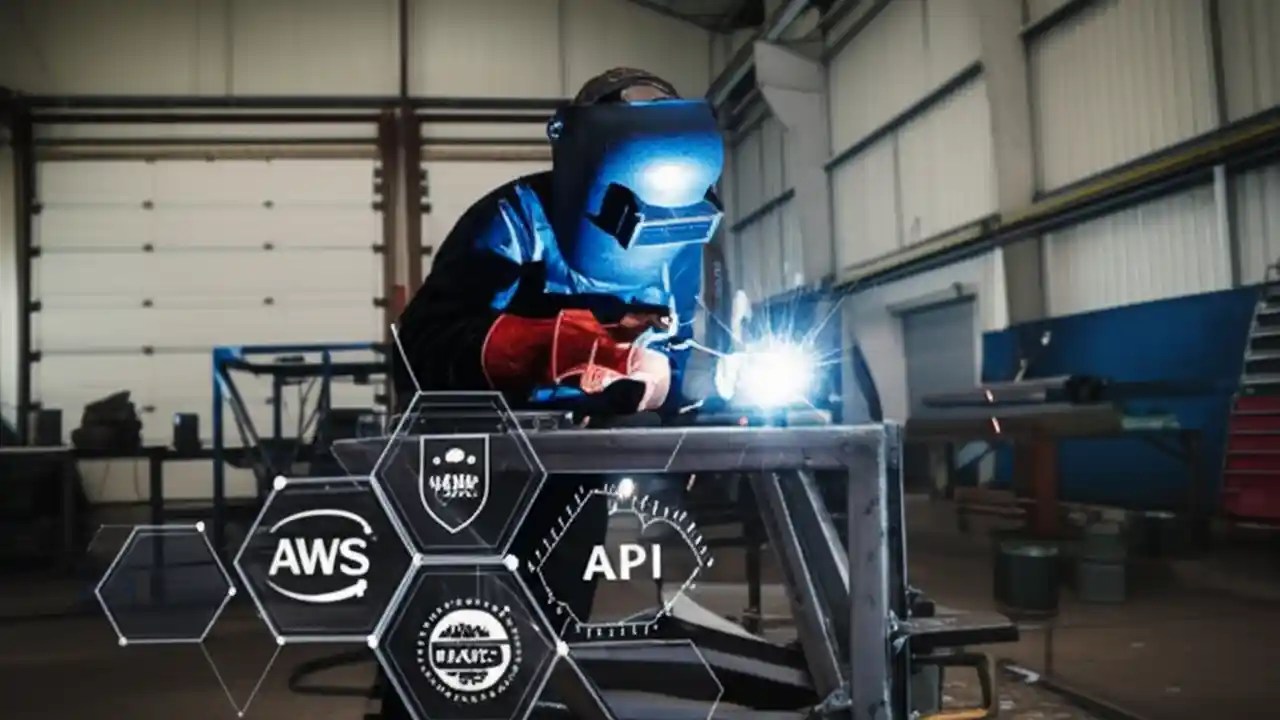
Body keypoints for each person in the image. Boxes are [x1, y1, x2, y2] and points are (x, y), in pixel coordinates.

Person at [383, 68, 725, 718]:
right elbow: (417, 350)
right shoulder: (515, 219)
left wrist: (657, 377)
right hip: (474, 475)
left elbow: (673, 348)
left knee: (549, 648)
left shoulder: (679, 239)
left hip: (574, 474)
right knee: (449, 656)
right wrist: (551, 348)